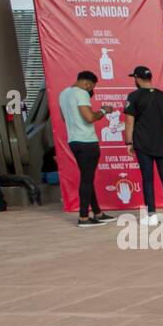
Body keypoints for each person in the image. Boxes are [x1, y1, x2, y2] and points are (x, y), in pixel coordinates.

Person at [123, 65, 163, 225]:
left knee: (148, 179)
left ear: (137, 79)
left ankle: (152, 216)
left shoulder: (134, 96)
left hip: (143, 144)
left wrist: (129, 142)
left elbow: (129, 121)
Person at [58, 70, 113, 227]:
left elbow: (63, 118)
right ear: (88, 84)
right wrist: (104, 110)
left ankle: (97, 213)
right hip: (87, 141)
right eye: (92, 87)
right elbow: (89, 117)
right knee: (87, 180)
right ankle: (83, 217)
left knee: (87, 178)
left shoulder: (63, 94)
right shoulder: (81, 93)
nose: (91, 90)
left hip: (74, 140)